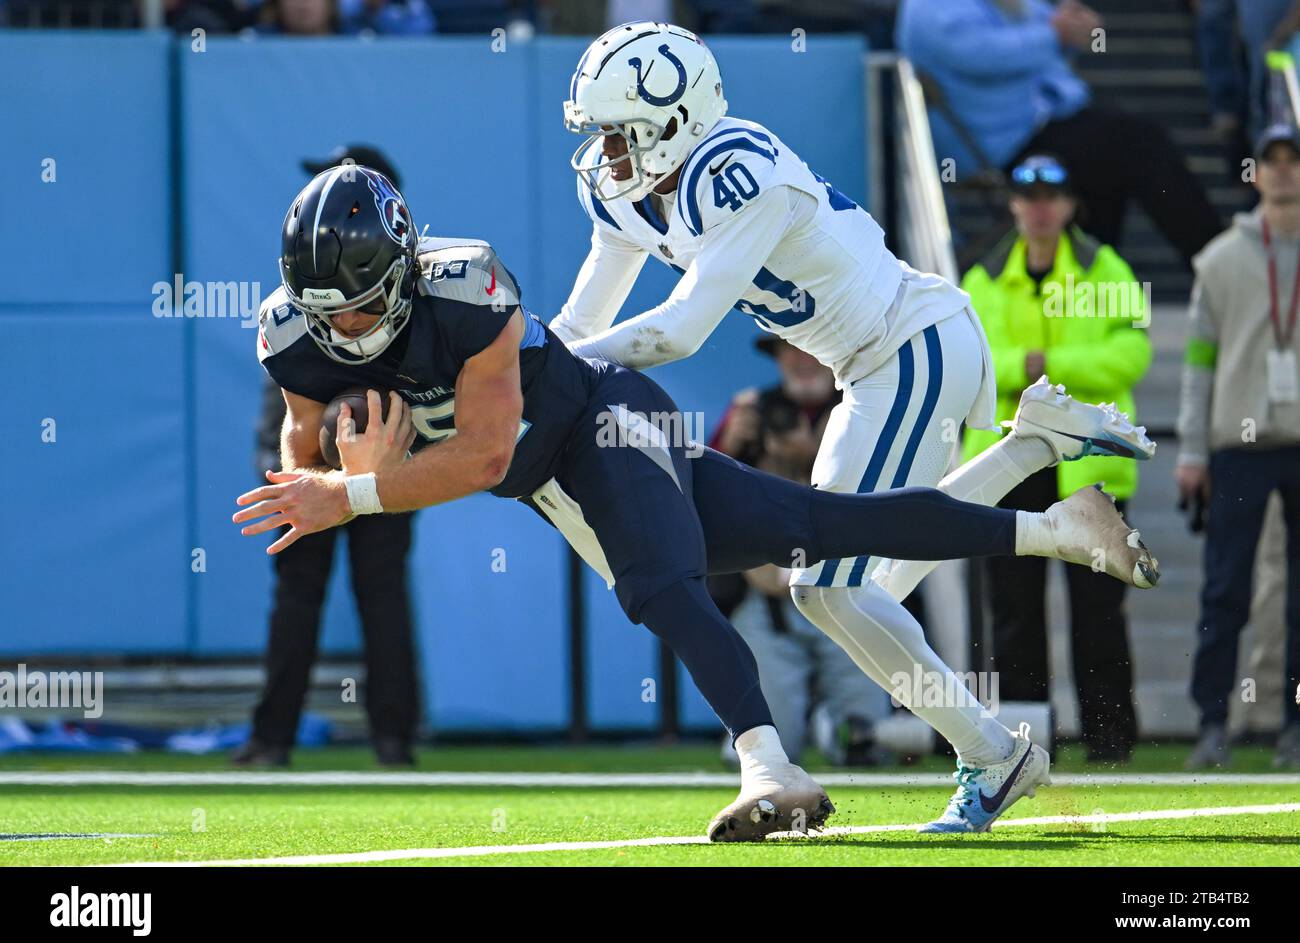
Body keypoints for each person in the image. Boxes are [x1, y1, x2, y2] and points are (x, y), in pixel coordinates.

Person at [232, 165, 1158, 840]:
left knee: (660, 587)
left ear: (399, 271)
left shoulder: (468, 287)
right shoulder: (291, 332)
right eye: (326, 314)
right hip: (548, 483)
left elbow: (479, 458)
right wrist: (321, 465)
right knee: (815, 530)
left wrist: (353, 492)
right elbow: (300, 436)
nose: (343, 330)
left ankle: (771, 768)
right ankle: (1054, 523)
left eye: (359, 309)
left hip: (598, 417)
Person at [550, 21, 1156, 832]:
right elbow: (579, 321)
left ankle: (997, 751)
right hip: (873, 365)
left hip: (908, 345)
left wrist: (549, 376)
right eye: (601, 135)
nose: (608, 155)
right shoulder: (624, 192)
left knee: (826, 584)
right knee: (857, 589)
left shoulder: (737, 171)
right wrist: (519, 370)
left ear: (677, 119)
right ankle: (1034, 451)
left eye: (620, 134)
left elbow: (681, 328)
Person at [962, 154, 1149, 763]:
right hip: (1009, 464)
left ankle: (1110, 739)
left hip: (1087, 466)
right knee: (1013, 609)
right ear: (1015, 204)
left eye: (1053, 195)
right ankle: (1025, 739)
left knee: (1098, 605)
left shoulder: (1106, 266)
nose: (1040, 207)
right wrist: (1031, 369)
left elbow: (1131, 355)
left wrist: (1046, 372)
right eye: (1028, 195)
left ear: (1070, 205)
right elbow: (974, 359)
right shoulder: (982, 275)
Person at [236, 145, 418, 769]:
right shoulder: (294, 304)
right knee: (316, 597)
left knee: (376, 594)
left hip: (381, 462)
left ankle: (388, 737)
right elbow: (288, 408)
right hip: (314, 459)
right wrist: (293, 469)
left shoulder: (418, 303)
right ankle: (276, 736)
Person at [896, 0, 1222, 269]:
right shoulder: (927, 8)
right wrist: (1054, 32)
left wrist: (1071, 24)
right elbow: (982, 54)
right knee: (1139, 146)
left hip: (1054, 123)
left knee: (1112, 163)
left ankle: (1092, 285)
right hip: (1000, 145)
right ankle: (1218, 267)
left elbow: (1047, 25)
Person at [1177, 123, 1300, 770]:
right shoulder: (1222, 259)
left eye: (1293, 161)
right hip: (1239, 444)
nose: (1283, 173)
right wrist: (1192, 450)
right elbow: (1199, 364)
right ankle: (1212, 722)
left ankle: (1294, 727)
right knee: (1225, 589)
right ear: (1254, 174)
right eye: (1271, 162)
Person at [710, 337, 892, 765]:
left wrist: (821, 458)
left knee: (868, 744)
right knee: (766, 751)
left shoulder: (862, 406)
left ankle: (832, 728)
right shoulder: (751, 409)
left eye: (810, 348)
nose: (802, 359)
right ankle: (790, 730)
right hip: (769, 596)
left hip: (848, 590)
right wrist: (731, 446)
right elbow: (704, 483)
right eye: (789, 350)